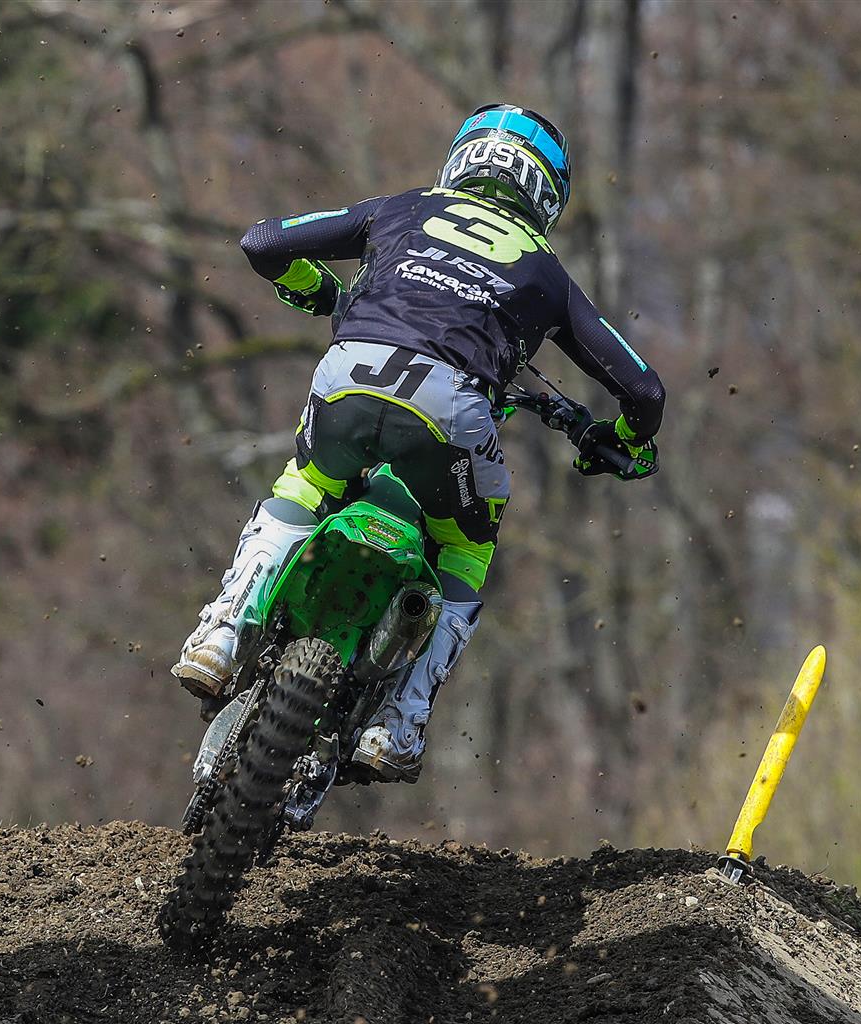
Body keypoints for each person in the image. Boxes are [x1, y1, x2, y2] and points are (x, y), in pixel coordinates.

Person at [172, 104, 665, 783]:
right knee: (467, 545)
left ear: (462, 160)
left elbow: (262, 243)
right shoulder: (546, 275)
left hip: (348, 377)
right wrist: (621, 437)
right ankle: (397, 721)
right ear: (546, 193)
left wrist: (314, 290)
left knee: (306, 484)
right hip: (449, 410)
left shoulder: (400, 209)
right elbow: (645, 391)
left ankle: (224, 630)